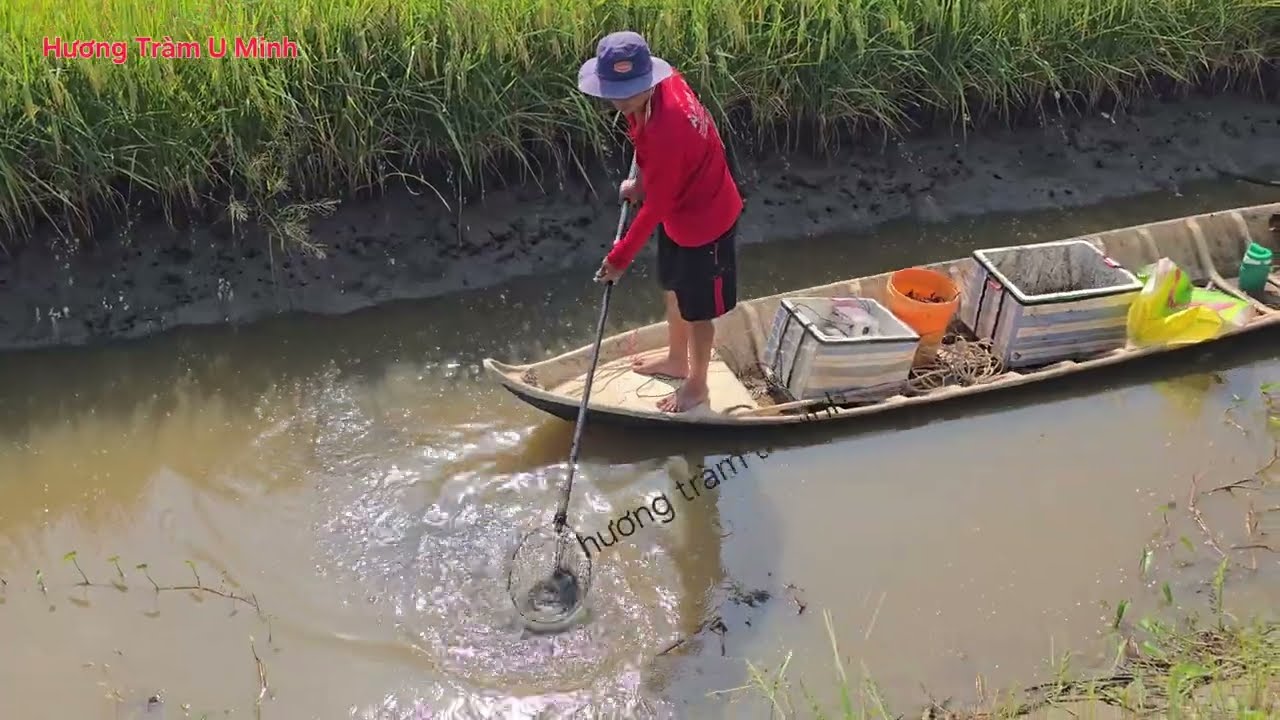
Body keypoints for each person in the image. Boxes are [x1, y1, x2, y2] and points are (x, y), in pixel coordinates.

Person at [576, 31, 744, 413]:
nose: (621, 101)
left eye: (630, 92)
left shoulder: (669, 126)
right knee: (674, 286)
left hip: (707, 220)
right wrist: (641, 182)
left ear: (648, 80)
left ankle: (697, 384)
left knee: (698, 311)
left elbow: (655, 207)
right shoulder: (662, 87)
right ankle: (676, 358)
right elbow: (651, 154)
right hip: (678, 213)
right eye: (614, 91)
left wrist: (619, 259)